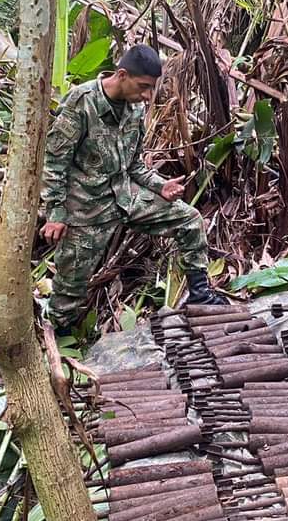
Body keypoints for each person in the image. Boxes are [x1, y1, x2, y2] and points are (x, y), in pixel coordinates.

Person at [41, 44, 227, 335]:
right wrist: (55, 213)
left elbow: (134, 164)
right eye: (143, 87)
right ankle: (62, 344)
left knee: (189, 220)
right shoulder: (82, 102)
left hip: (126, 197)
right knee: (68, 292)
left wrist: (159, 186)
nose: (146, 96)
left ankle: (202, 294)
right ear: (122, 74)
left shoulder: (136, 108)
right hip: (85, 209)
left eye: (151, 89)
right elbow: (53, 163)